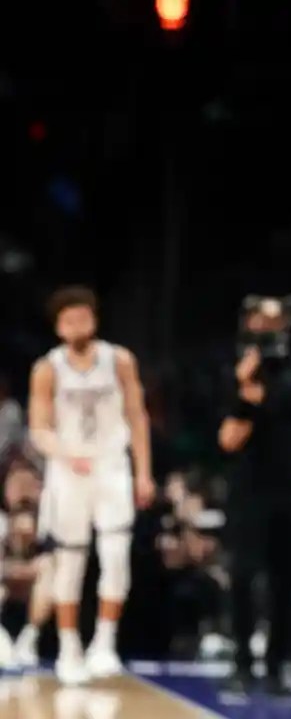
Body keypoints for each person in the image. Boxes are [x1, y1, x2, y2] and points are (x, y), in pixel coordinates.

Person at [25, 285, 156, 685]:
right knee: (70, 560)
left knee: (116, 555)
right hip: (69, 469)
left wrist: (144, 471)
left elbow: (137, 416)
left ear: (94, 319)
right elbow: (39, 428)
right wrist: (64, 454)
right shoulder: (47, 368)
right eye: (69, 319)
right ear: (59, 327)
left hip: (111, 465)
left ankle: (105, 642)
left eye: (84, 317)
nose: (78, 324)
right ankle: (68, 648)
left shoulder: (119, 360)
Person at [218, 297, 291, 694]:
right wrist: (244, 393)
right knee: (242, 578)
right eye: (261, 319)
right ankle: (242, 661)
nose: (268, 326)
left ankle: (277, 665)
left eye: (276, 320)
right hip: (247, 493)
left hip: (287, 493)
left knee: (285, 582)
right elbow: (228, 439)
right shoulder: (231, 372)